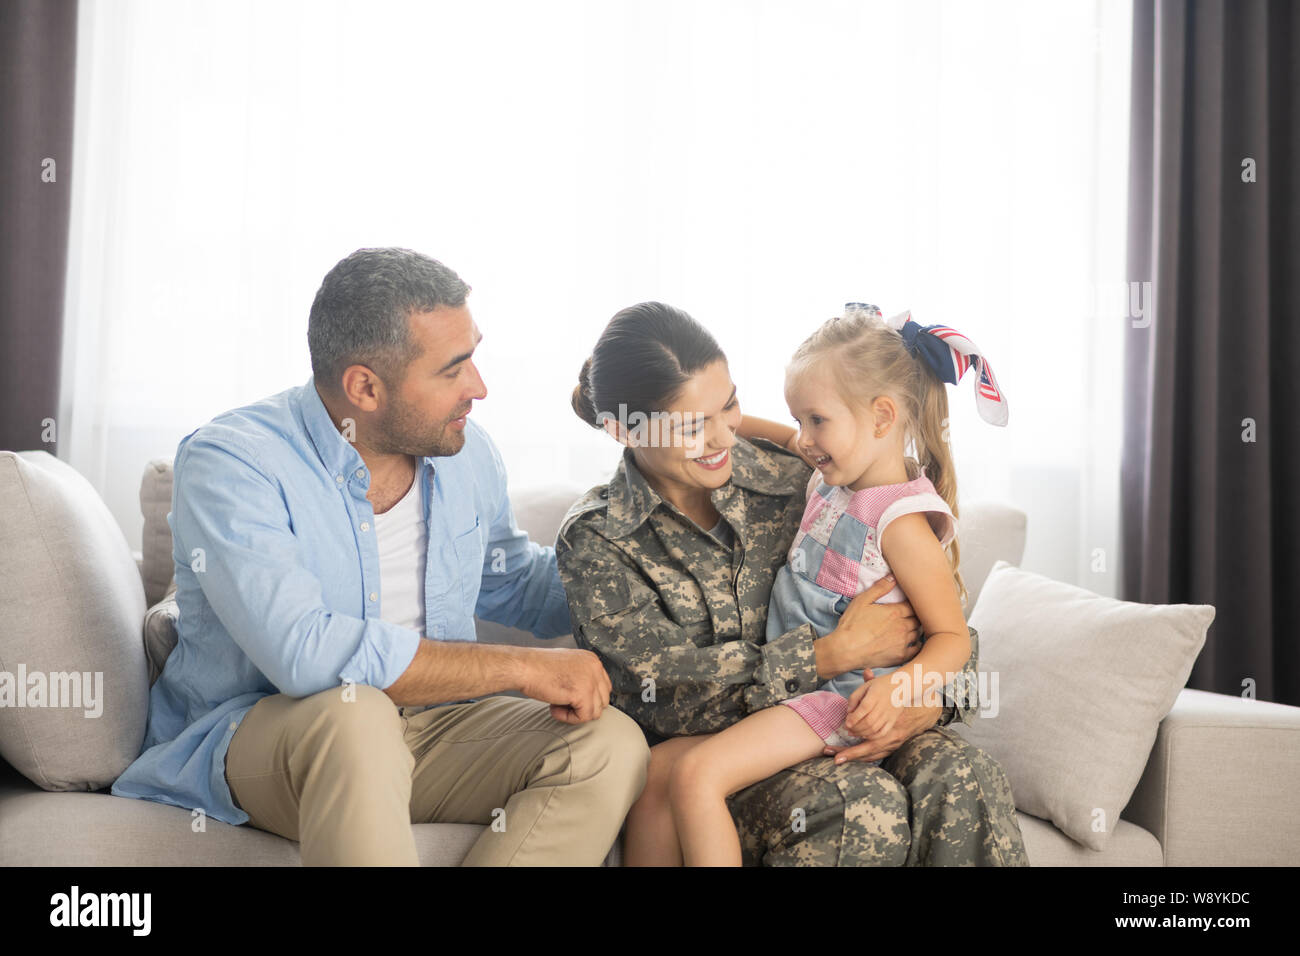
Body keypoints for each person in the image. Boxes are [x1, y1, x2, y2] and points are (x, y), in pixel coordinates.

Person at [111, 248, 648, 866]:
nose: (480, 387)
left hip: (431, 727)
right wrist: (521, 669)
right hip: (263, 737)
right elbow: (305, 653)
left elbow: (513, 585)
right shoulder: (233, 462)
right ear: (365, 386)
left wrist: (647, 552)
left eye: (474, 354)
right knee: (355, 713)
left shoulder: (466, 454)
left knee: (607, 743)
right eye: (454, 369)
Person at [556, 301, 1028, 866]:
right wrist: (828, 654)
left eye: (728, 406)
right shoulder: (599, 540)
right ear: (622, 429)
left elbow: (950, 636)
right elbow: (665, 695)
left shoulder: (810, 475)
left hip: (855, 707)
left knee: (964, 773)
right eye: (689, 426)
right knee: (858, 806)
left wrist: (922, 703)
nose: (721, 439)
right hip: (725, 756)